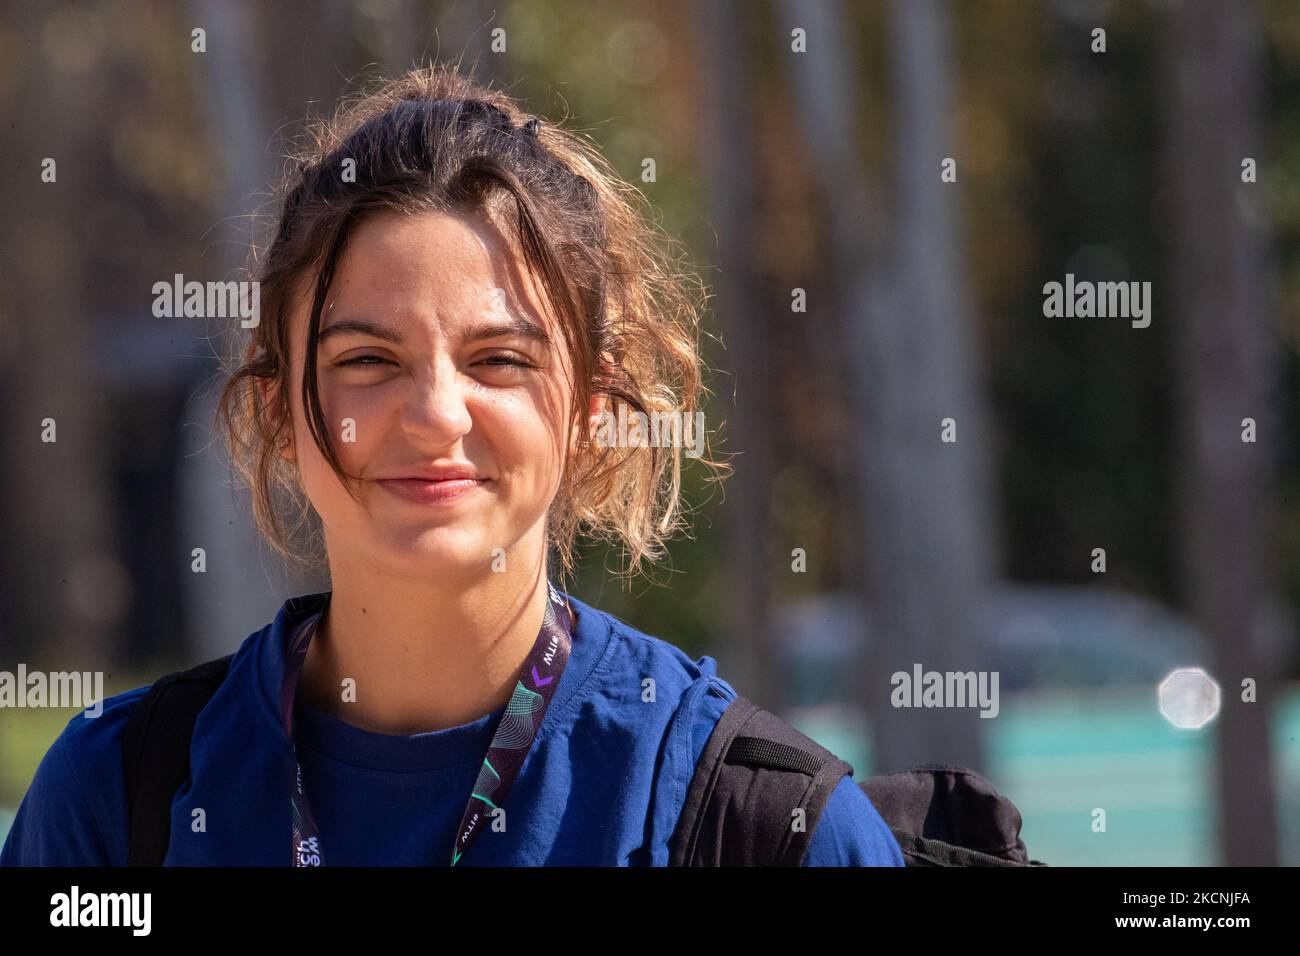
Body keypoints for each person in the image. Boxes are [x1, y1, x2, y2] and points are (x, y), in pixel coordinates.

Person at [1, 65, 903, 867]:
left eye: (499, 360)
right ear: (278, 410)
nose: (435, 414)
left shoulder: (764, 826)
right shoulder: (118, 799)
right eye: (366, 359)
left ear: (592, 408)